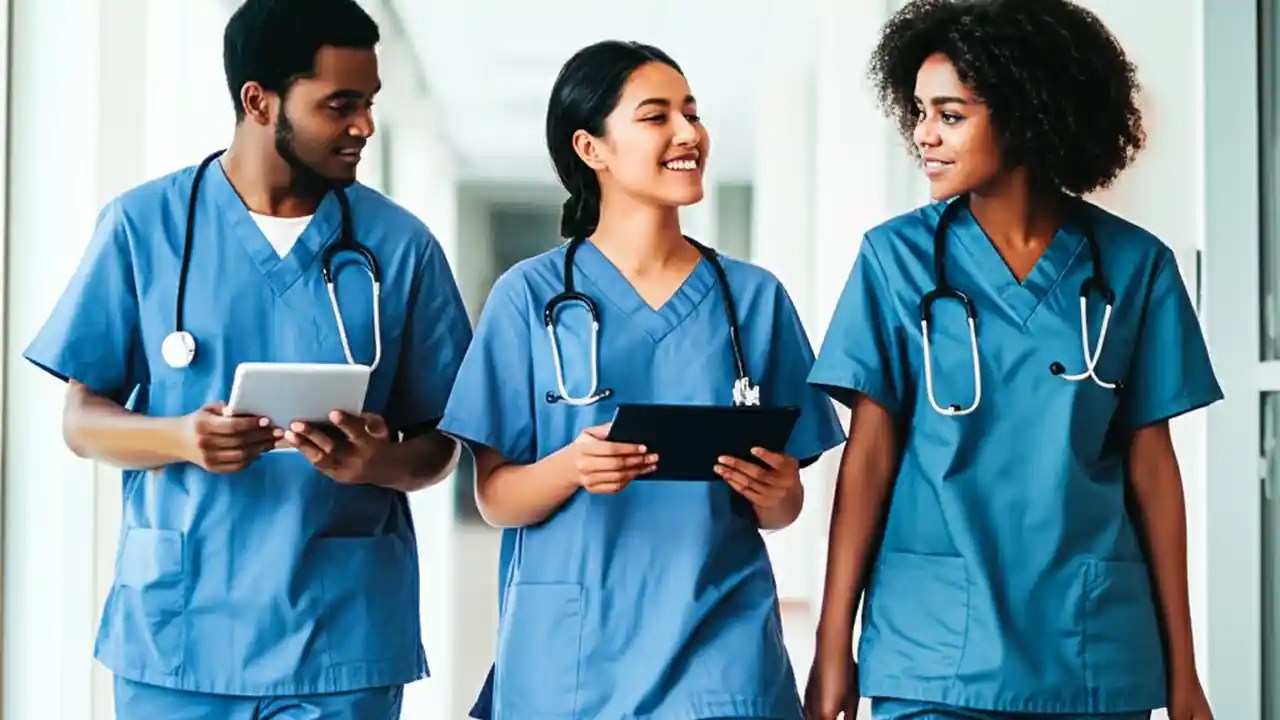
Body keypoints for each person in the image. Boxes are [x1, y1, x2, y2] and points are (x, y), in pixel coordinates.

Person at [23, 0, 472, 717]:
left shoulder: (401, 246)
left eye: (371, 104)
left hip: (339, 637)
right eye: (340, 105)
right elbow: (82, 422)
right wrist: (179, 438)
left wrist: (376, 462)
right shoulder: (144, 226)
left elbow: (440, 441)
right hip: (181, 632)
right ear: (259, 101)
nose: (364, 126)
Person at [802, 2, 1221, 719]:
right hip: (931, 652)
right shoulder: (894, 261)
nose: (923, 136)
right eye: (918, 112)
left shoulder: (1133, 266)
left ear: (1028, 113)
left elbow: (1154, 469)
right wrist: (831, 641)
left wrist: (1184, 670)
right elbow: (868, 460)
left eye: (950, 115)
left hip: (1088, 648)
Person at [440, 40, 845, 720]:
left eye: (692, 112)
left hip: (720, 647)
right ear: (591, 149)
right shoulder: (529, 297)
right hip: (571, 658)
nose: (689, 132)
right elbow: (497, 498)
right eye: (657, 116)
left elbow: (783, 508)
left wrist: (777, 491)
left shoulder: (751, 300)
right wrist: (572, 466)